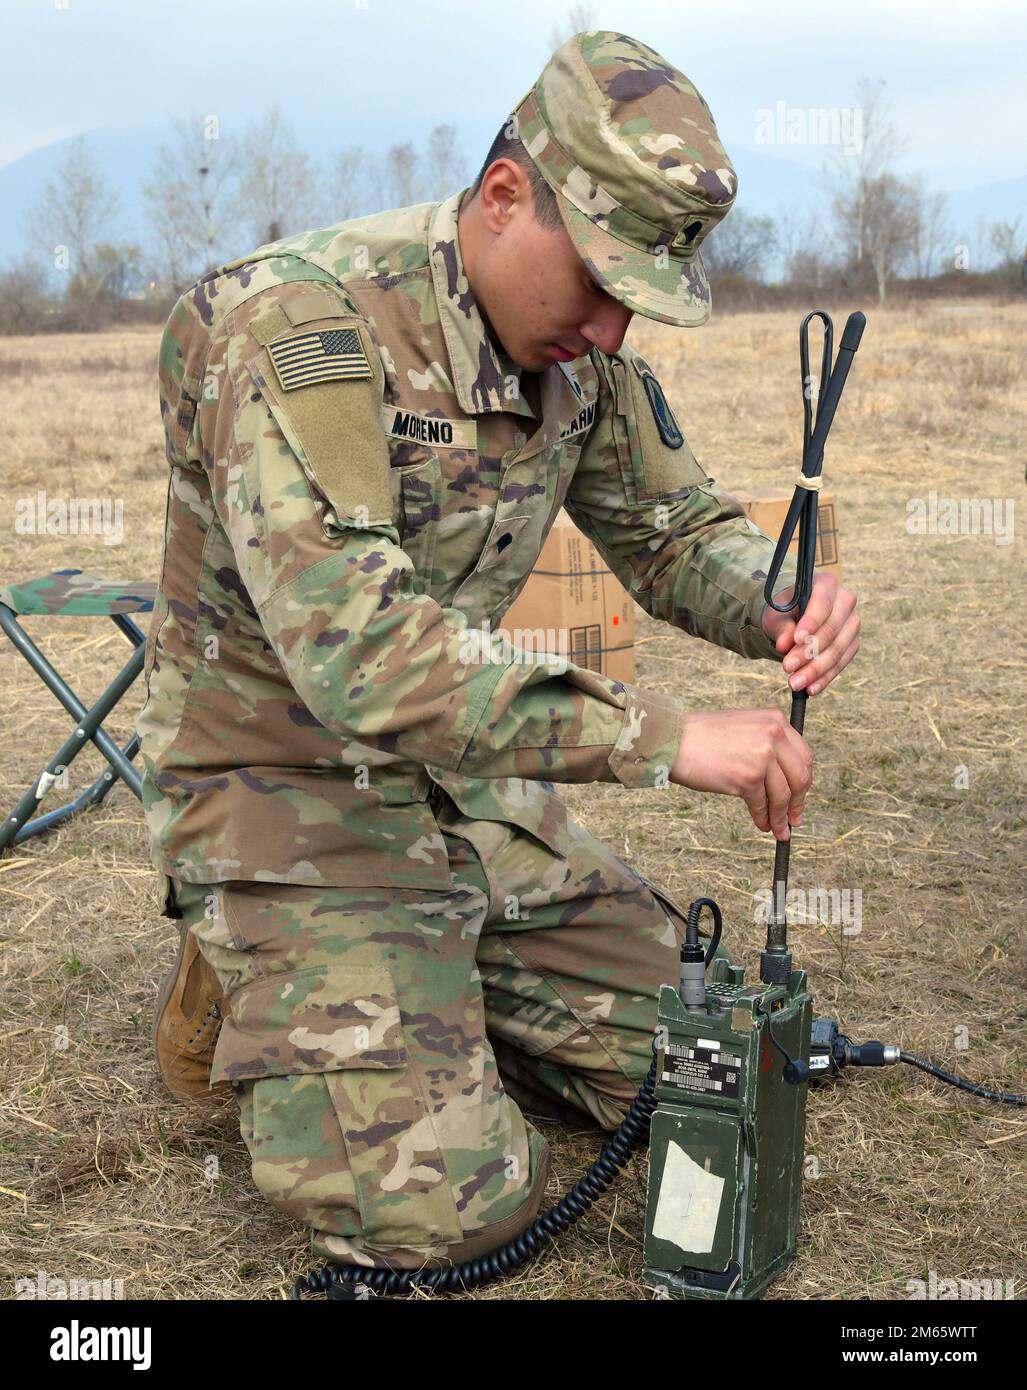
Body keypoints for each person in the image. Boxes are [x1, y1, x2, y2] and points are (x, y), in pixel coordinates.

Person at [140, 30, 859, 1273]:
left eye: (638, 298)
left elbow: (671, 528)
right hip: (285, 791)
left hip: (455, 790)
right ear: (504, 195)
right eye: (597, 282)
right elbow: (362, 655)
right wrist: (665, 739)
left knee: (727, 1055)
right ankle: (255, 950)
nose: (613, 328)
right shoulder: (290, 331)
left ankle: (426, 966)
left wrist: (775, 596)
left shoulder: (577, 355)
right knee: (451, 1208)